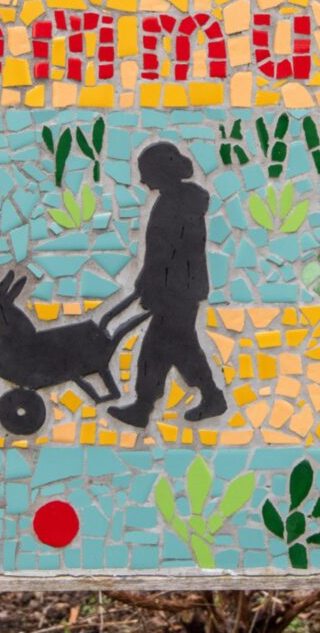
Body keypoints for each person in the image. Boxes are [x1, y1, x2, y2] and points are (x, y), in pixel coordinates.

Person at [107, 142, 228, 427]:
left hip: (177, 291)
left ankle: (150, 405)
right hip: (178, 288)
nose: (141, 179)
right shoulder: (176, 200)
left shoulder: (178, 203)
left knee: (164, 348)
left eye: (144, 172)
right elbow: (161, 251)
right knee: (170, 349)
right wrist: (146, 279)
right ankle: (152, 404)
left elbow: (169, 252)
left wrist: (150, 282)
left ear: (160, 172)